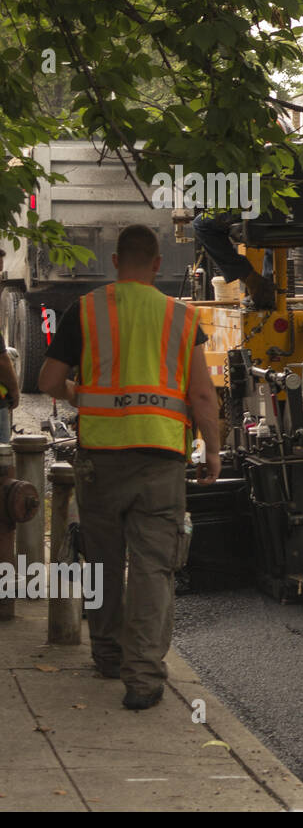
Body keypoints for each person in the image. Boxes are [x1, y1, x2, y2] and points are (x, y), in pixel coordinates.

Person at [38, 225, 222, 711]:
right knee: (152, 569)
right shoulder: (182, 319)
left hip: (100, 460)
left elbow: (49, 379)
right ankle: (142, 679)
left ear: (116, 261)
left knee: (101, 561)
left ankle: (106, 654)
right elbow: (203, 395)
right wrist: (214, 450)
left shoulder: (87, 309)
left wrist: (78, 394)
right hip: (161, 461)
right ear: (158, 264)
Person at [192, 211, 276, 309]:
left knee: (201, 224)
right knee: (277, 229)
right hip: (290, 215)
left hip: (260, 208)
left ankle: (253, 281)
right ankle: (270, 287)